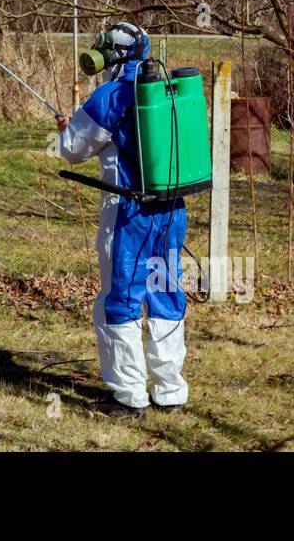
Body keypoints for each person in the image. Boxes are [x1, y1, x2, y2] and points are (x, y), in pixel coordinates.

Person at [56, 23, 188, 416]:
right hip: (169, 212)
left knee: (121, 299)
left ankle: (129, 395)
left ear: (109, 56)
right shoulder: (165, 92)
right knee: (164, 295)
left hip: (127, 213)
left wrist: (66, 128)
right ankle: (170, 392)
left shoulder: (109, 95)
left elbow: (72, 150)